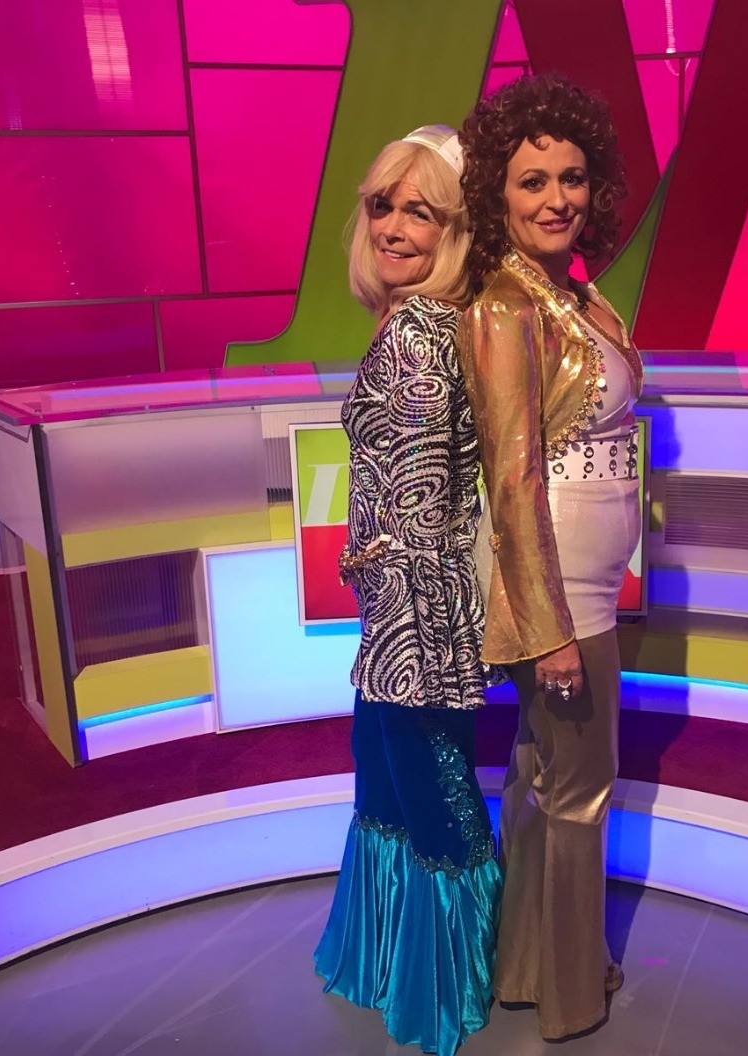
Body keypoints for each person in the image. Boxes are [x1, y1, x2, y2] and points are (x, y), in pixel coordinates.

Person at [457, 74, 644, 1041]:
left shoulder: (573, 292)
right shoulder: (505, 306)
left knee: (541, 778)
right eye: (533, 181)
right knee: (580, 789)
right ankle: (573, 995)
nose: (557, 198)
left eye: (571, 177)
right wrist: (548, 628)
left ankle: (528, 969)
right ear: (498, 191)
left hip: (589, 581)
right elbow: (512, 478)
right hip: (562, 592)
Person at [313, 125, 501, 1056]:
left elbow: (426, 502)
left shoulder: (420, 334)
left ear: (454, 230)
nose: (391, 226)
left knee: (432, 793)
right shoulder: (412, 322)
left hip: (413, 618)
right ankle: (395, 958)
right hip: (397, 606)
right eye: (382, 205)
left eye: (418, 211)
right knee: (391, 782)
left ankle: (454, 978)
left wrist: (389, 586)